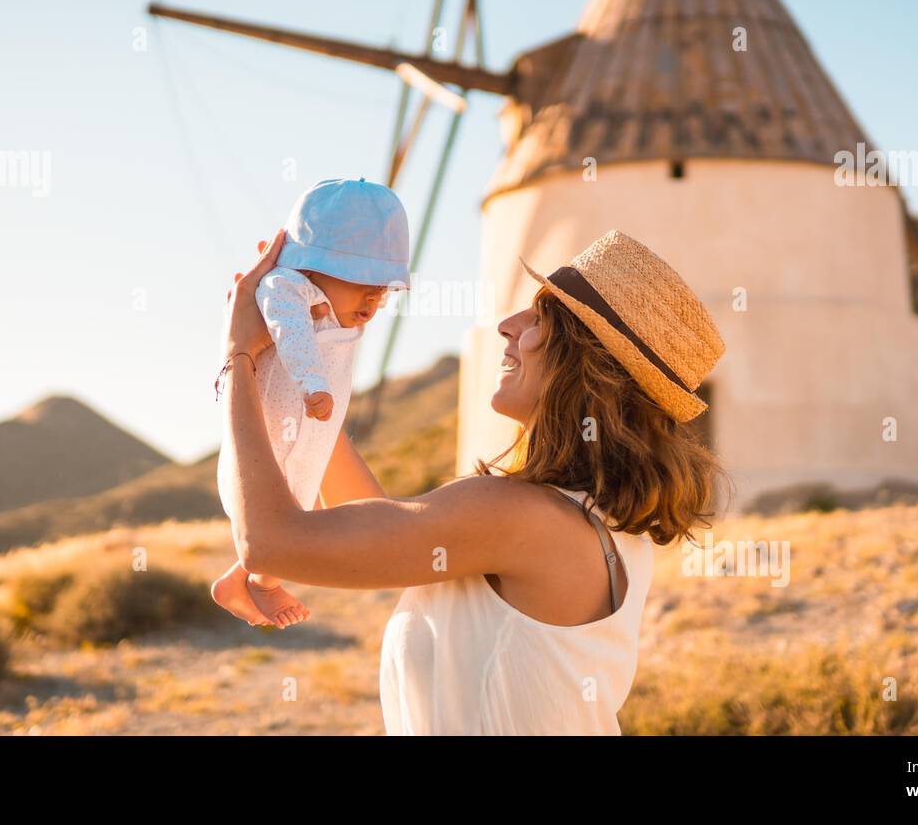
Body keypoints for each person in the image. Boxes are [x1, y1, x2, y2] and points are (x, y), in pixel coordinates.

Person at [216, 227, 726, 734]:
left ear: (586, 362)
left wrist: (238, 356)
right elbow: (393, 545)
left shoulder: (516, 515)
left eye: (541, 315)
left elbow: (269, 542)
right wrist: (312, 369)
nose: (508, 324)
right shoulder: (604, 529)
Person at [211, 177, 409, 629]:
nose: (376, 297)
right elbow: (291, 335)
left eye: (385, 288)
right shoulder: (286, 287)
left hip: (307, 435)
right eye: (363, 280)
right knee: (282, 522)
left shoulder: (334, 309)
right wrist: (312, 383)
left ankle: (241, 579)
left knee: (303, 516)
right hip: (277, 428)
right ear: (312, 266)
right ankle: (258, 583)